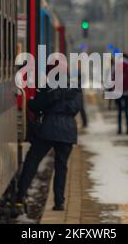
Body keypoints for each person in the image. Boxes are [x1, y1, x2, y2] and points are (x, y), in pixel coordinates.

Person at [16, 85, 82, 213]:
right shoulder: (76, 88)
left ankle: (21, 194)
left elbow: (35, 105)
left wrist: (30, 102)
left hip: (48, 128)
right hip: (67, 131)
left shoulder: (49, 86)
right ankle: (59, 202)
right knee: (61, 167)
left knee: (33, 160)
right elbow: (76, 108)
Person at [116, 54, 128, 135]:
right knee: (126, 111)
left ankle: (119, 129)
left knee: (119, 111)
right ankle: (127, 129)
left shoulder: (116, 67)